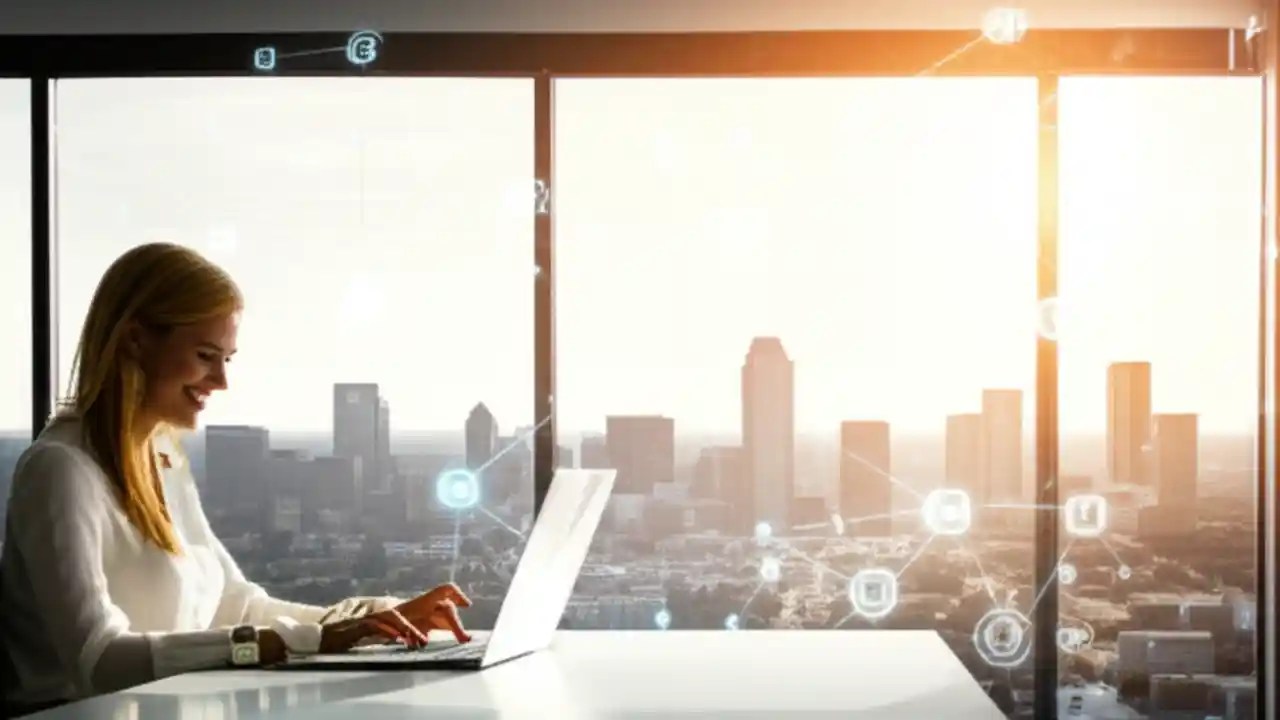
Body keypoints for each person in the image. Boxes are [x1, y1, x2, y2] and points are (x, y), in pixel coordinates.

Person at [0, 243, 472, 715]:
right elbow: (98, 660)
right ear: (136, 340)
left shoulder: (164, 460)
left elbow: (239, 607)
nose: (221, 380)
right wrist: (297, 641)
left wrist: (371, 618)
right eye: (206, 355)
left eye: (227, 358)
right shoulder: (61, 471)